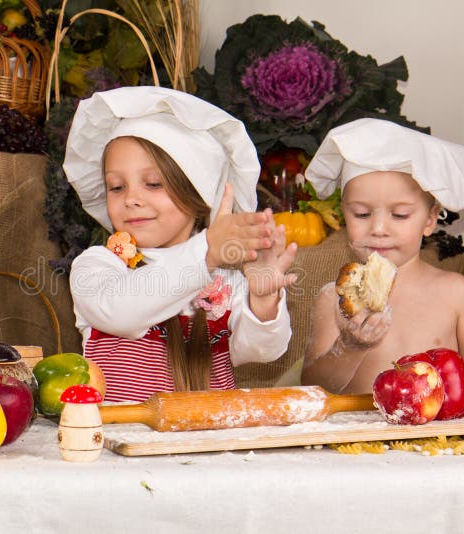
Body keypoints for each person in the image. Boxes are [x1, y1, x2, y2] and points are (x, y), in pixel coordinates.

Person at [63, 86, 298, 402]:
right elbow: (123, 311)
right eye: (116, 187)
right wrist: (207, 251)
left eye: (154, 184)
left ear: (200, 194)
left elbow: (261, 350)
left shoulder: (225, 282)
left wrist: (263, 298)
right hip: (122, 444)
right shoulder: (98, 265)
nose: (131, 198)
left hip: (208, 446)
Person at [300, 118, 464, 394]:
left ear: (430, 219)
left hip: (438, 435)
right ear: (343, 215)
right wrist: (348, 347)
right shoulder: (333, 299)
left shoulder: (456, 292)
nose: (379, 229)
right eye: (361, 213)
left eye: (399, 215)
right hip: (357, 436)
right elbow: (314, 386)